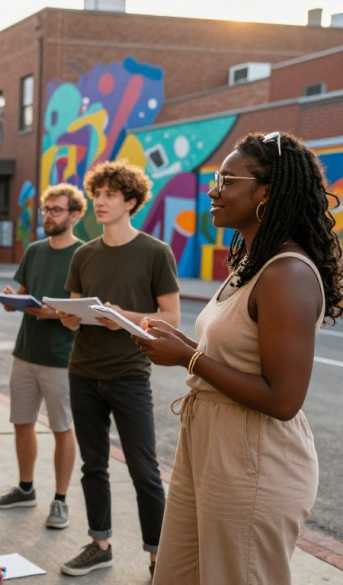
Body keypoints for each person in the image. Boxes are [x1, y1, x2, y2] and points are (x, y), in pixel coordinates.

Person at [137, 132, 341, 584]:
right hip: (209, 447)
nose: (212, 190)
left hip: (253, 460)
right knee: (175, 575)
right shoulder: (251, 264)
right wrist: (186, 347)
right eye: (215, 178)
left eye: (226, 179)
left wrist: (189, 361)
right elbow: (232, 356)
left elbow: (284, 399)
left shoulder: (286, 273)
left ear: (265, 191)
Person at [57, 160, 180, 577]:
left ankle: (157, 557)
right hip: (83, 371)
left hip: (129, 374)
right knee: (93, 464)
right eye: (98, 194)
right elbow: (75, 306)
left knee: (144, 469)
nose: (100, 201)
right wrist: (70, 317)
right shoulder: (83, 254)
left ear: (131, 200)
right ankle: (99, 543)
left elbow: (172, 317)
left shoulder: (155, 252)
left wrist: (122, 314)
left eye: (110, 194)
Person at [0, 183, 85, 531]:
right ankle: (25, 488)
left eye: (56, 210)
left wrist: (53, 312)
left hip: (63, 357)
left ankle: (60, 500)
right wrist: (14, 299)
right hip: (25, 352)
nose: (48, 216)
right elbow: (25, 296)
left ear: (75, 215)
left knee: (62, 428)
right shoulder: (34, 251)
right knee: (22, 422)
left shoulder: (85, 254)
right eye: (46, 209)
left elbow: (83, 310)